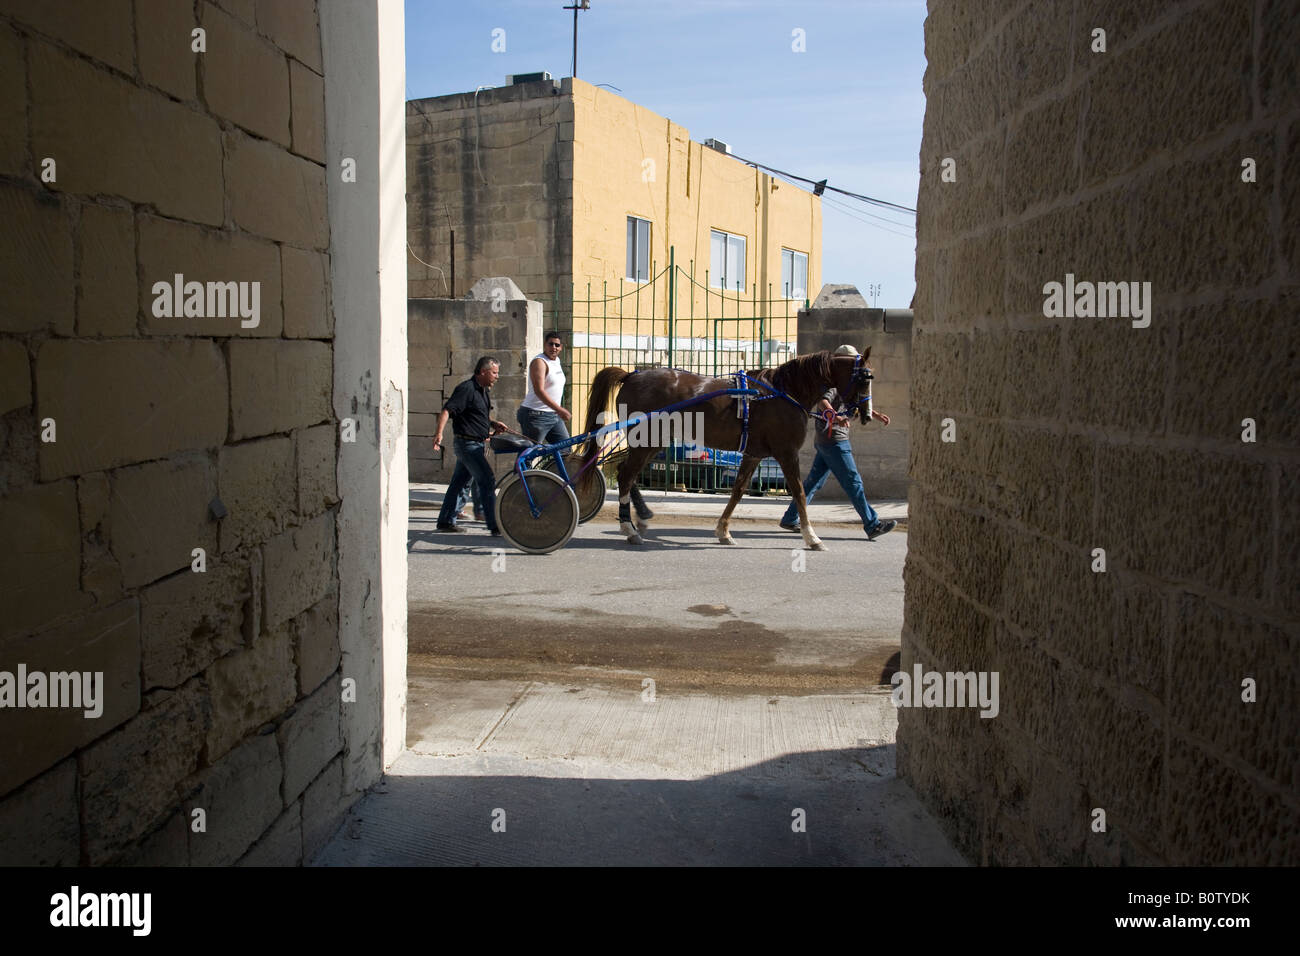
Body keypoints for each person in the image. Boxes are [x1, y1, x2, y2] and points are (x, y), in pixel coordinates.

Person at [780, 344, 897, 540]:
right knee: (853, 482)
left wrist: (875, 414)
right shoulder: (833, 383)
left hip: (827, 440)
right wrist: (835, 417)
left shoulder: (844, 382)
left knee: (812, 483)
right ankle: (872, 524)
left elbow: (854, 404)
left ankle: (791, 517)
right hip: (834, 439)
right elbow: (822, 401)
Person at [434, 357, 507, 534]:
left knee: (459, 483)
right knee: (487, 479)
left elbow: (478, 415)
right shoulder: (466, 389)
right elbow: (447, 410)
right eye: (494, 372)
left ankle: (445, 521)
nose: (497, 376)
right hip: (467, 444)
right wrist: (439, 434)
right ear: (483, 371)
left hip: (475, 443)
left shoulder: (483, 391)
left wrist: (493, 424)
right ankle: (495, 525)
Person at [516, 331, 571, 444]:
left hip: (553, 415)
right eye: (550, 344)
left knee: (564, 449)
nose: (553, 347)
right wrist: (559, 409)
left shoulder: (556, 361)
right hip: (535, 414)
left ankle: (552, 463)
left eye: (557, 345)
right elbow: (539, 390)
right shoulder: (540, 362)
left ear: (561, 347)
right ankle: (521, 463)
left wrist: (556, 411)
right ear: (545, 345)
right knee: (530, 452)